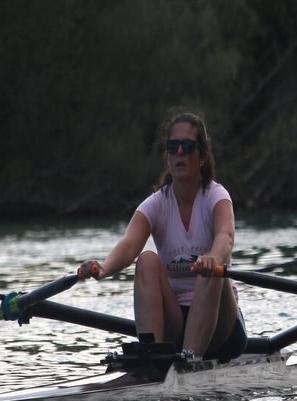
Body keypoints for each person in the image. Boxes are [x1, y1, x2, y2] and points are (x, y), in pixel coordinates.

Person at [77, 112, 246, 362]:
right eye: (173, 147)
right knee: (145, 259)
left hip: (222, 329)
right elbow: (129, 245)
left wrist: (212, 257)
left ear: (201, 156)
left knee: (209, 269)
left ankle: (189, 360)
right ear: (167, 155)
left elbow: (226, 236)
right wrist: (103, 268)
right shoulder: (156, 204)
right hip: (175, 320)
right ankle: (152, 355)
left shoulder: (216, 197)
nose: (179, 153)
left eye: (187, 147)